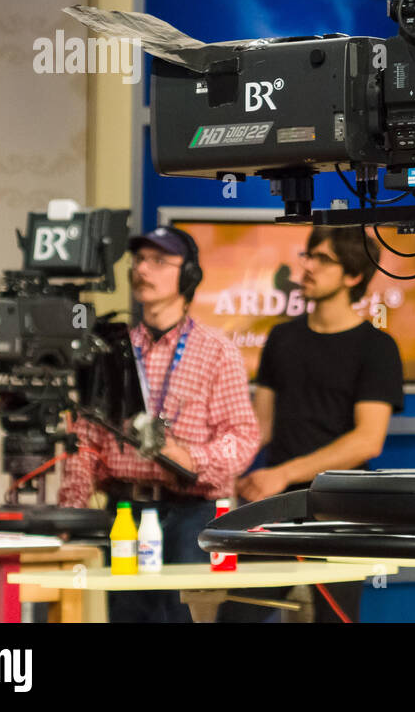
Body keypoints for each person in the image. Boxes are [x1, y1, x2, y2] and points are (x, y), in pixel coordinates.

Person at [59, 226, 260, 622]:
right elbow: (86, 440)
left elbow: (242, 439)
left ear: (188, 277)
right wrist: (70, 513)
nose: (142, 270)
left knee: (179, 616)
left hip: (190, 513)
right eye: (138, 261)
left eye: (158, 261)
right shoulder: (111, 350)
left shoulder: (217, 351)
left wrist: (183, 455)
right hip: (123, 510)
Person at [225, 225, 404, 622]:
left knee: (335, 619)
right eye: (307, 256)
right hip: (277, 511)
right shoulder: (282, 338)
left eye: (321, 259)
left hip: (339, 510)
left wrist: (280, 474)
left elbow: (367, 441)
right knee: (237, 615)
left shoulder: (377, 348)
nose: (306, 267)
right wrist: (224, 472)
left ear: (353, 276)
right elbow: (261, 426)